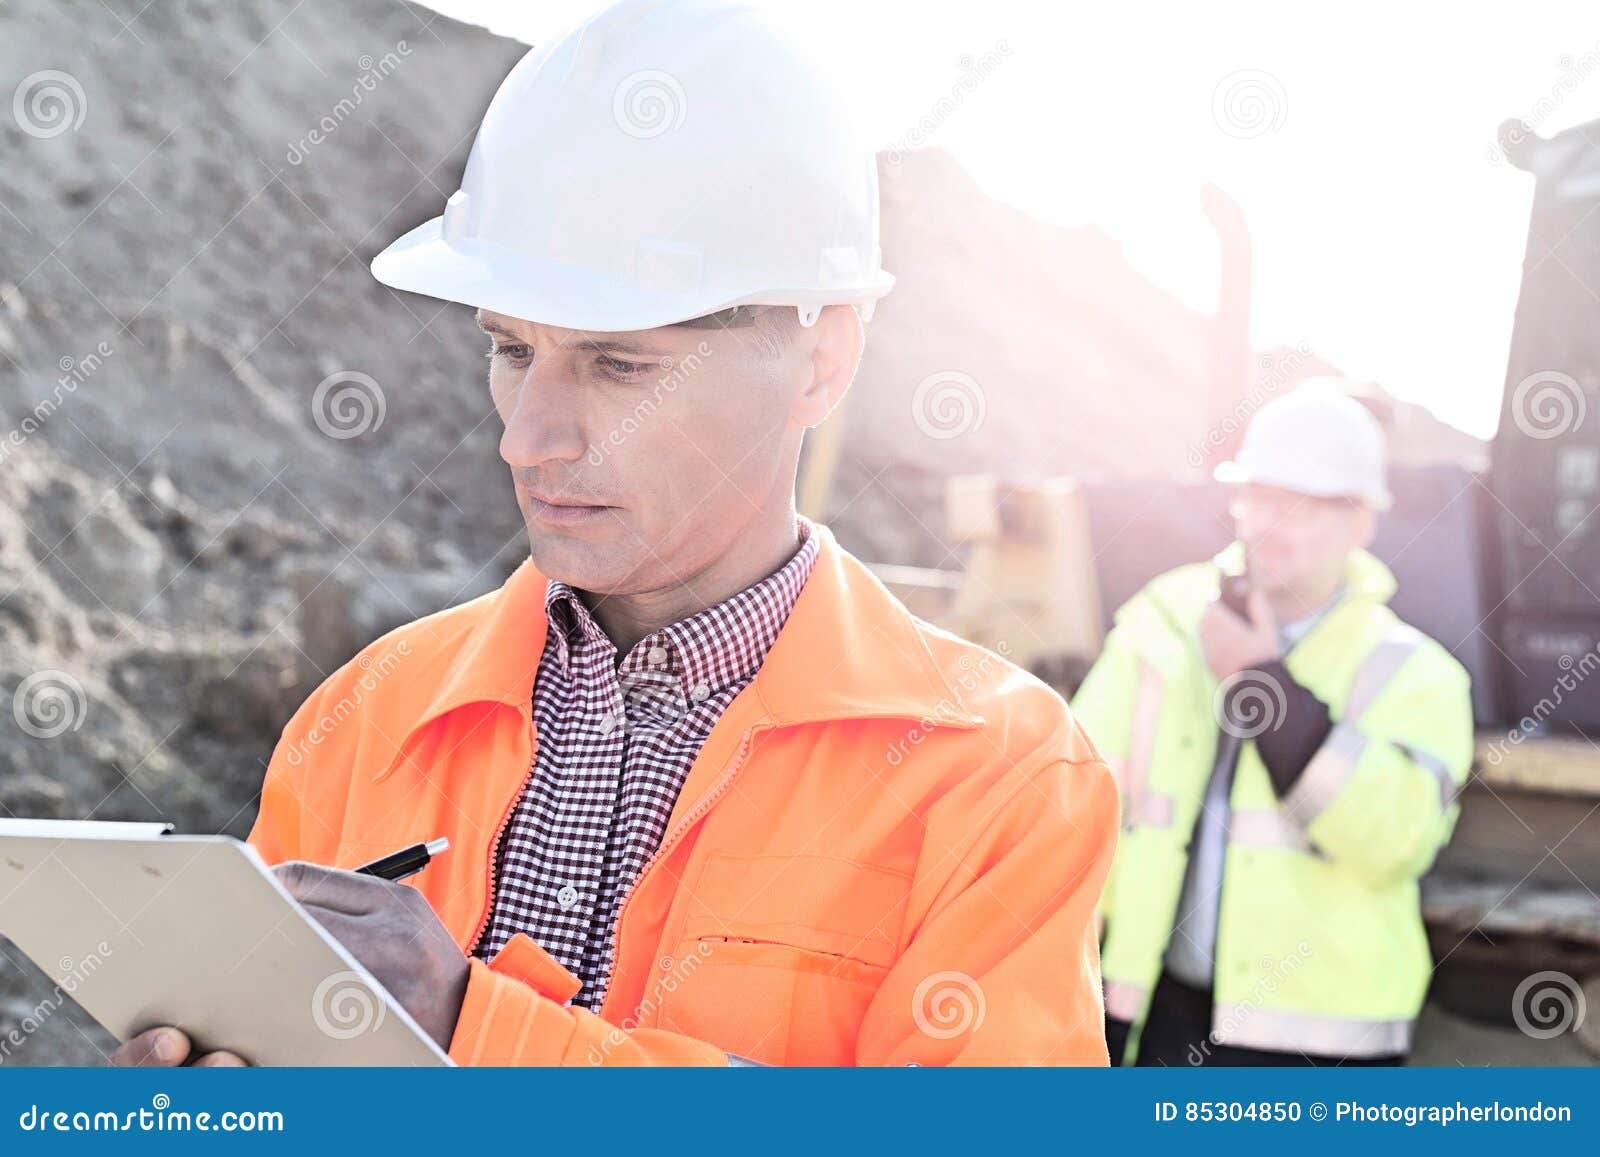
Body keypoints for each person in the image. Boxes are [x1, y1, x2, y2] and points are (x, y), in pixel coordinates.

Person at [111, 0, 1116, 1068]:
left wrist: (478, 1028)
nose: (527, 438)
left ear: (820, 360)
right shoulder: (368, 715)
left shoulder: (995, 776)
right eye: (510, 349)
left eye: (618, 364)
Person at [1073, 382, 1473, 1066]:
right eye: (1261, 495)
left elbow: (1393, 841)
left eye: (1306, 504)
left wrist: (1266, 686)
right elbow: (1075, 799)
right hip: (1154, 1014)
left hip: (1318, 1050)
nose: (1273, 522)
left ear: (1361, 522)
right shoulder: (1163, 621)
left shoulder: (1412, 671)